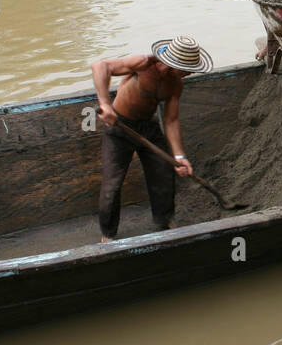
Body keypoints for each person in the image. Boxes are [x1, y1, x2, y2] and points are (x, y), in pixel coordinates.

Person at [90, 36, 213, 242]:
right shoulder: (143, 64)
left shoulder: (175, 85)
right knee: (112, 184)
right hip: (119, 128)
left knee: (164, 174)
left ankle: (164, 220)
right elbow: (100, 66)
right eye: (188, 68)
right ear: (175, 65)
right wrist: (105, 104)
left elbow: (171, 120)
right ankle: (108, 233)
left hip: (148, 128)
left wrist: (180, 155)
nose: (190, 73)